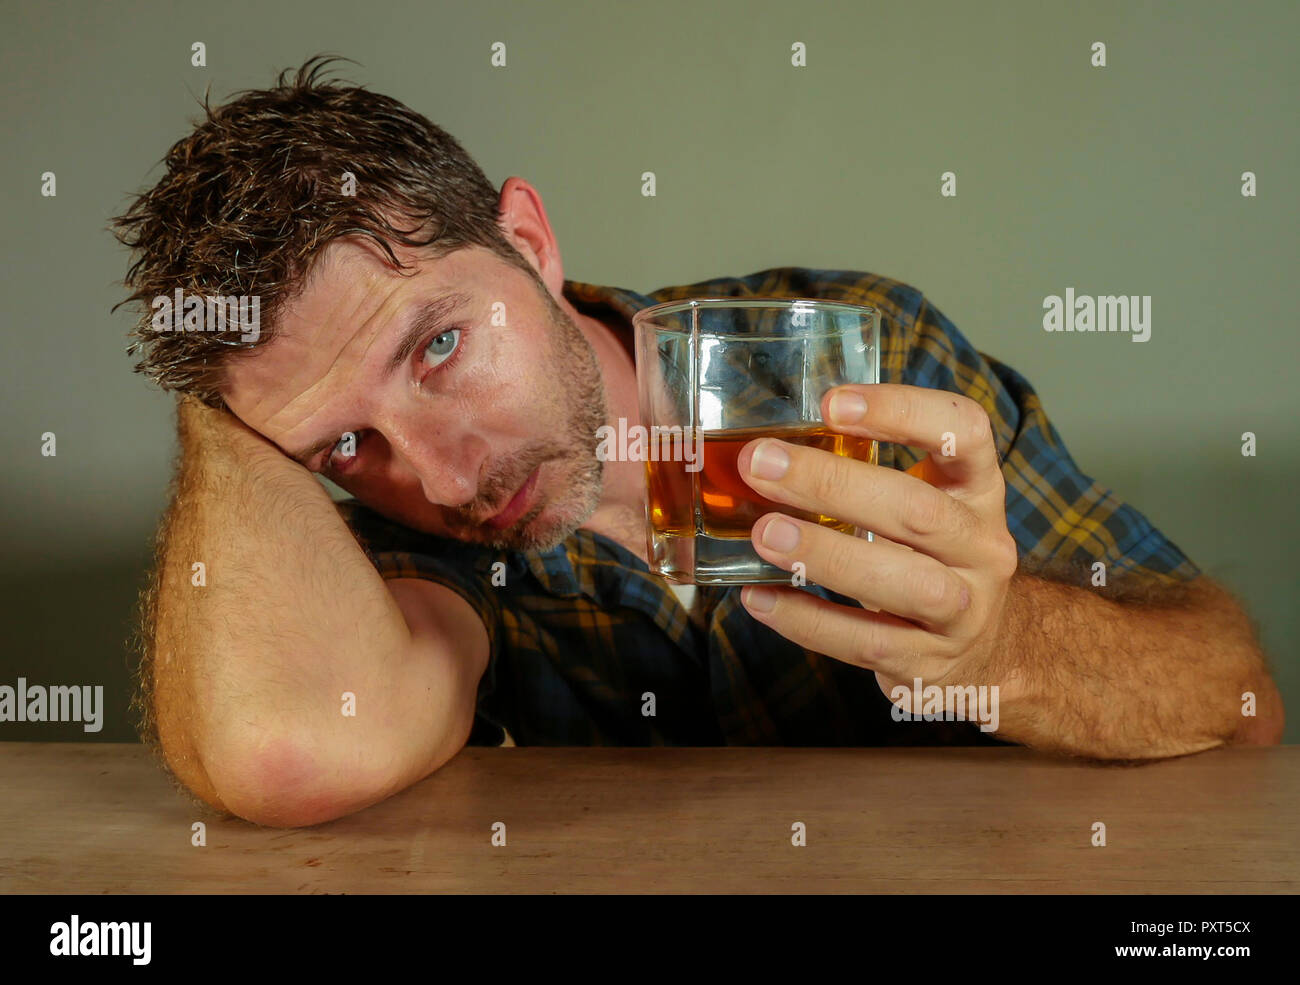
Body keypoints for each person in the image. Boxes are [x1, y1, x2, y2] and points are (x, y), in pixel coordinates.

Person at [112, 57, 1283, 828]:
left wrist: (998, 646)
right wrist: (225, 390)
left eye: (437, 348)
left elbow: (1234, 700)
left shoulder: (850, 366)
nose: (448, 475)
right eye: (342, 444)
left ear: (528, 239)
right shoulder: (401, 540)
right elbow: (285, 753)